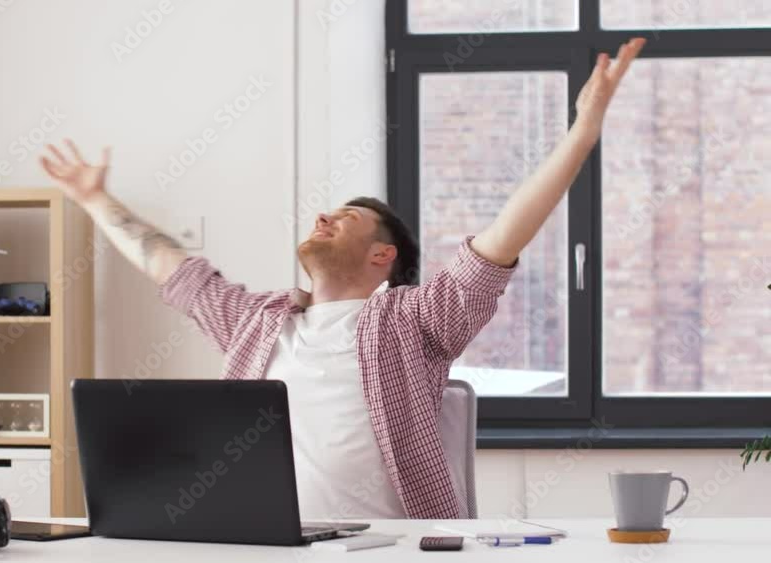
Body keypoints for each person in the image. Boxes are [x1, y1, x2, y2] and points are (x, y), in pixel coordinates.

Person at [40, 38, 646, 520]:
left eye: (347, 217)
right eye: (325, 212)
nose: (324, 216)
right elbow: (167, 264)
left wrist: (582, 132)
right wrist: (95, 200)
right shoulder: (256, 322)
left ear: (383, 256)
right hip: (269, 544)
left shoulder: (416, 320)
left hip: (393, 547)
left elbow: (501, 240)